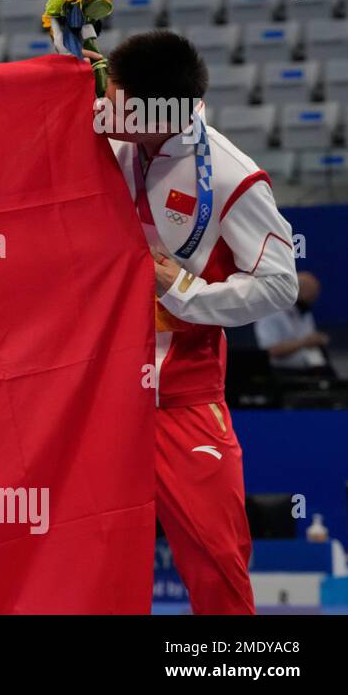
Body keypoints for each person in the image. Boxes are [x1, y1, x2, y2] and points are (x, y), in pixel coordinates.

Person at [95, 30, 298, 614]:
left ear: (154, 111)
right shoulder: (118, 135)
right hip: (99, 391)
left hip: (181, 396)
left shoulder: (234, 177)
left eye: (114, 97)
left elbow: (280, 284)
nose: (103, 107)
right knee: (78, 551)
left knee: (217, 564)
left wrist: (183, 290)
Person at [254, 271, 336, 377]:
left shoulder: (305, 312)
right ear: (297, 291)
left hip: (309, 369)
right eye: (310, 295)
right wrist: (304, 342)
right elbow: (271, 351)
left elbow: (308, 339)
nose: (313, 300)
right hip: (282, 372)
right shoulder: (271, 313)